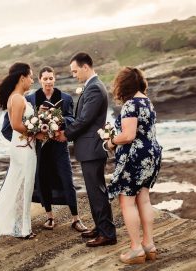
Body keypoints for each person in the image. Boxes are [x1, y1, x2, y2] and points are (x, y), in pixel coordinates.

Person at [0, 66, 88, 232]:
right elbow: (12, 123)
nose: (48, 81)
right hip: (38, 148)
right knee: (42, 180)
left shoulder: (66, 98)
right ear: (40, 80)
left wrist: (59, 121)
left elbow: (72, 118)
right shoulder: (30, 99)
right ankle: (49, 217)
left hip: (59, 146)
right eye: (44, 78)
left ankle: (76, 219)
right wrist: (22, 141)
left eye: (51, 78)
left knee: (67, 180)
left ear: (54, 79)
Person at [56, 52, 117, 247]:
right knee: (94, 191)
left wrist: (66, 134)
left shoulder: (95, 89)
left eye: (75, 71)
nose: (74, 75)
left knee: (97, 192)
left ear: (85, 67)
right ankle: (101, 228)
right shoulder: (92, 86)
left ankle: (107, 234)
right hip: (89, 148)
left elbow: (85, 119)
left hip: (92, 148)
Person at [105, 67, 163, 264]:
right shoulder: (147, 102)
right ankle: (149, 245)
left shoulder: (131, 104)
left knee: (127, 201)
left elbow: (128, 136)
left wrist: (110, 142)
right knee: (144, 199)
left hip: (135, 157)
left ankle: (136, 249)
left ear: (124, 84)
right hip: (151, 154)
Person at [0, 63, 44, 239]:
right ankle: (22, 229)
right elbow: (15, 125)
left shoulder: (17, 97)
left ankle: (19, 225)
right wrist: (37, 133)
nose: (31, 80)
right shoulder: (18, 98)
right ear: (22, 78)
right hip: (23, 148)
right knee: (25, 187)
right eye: (30, 76)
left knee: (22, 186)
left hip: (21, 146)